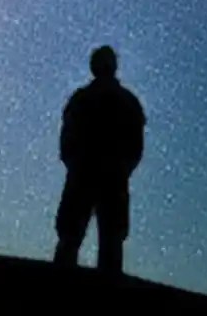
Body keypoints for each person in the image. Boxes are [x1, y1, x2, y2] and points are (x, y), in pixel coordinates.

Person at [52, 45, 146, 275]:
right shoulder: (127, 101)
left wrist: (76, 163)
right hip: (109, 176)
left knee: (74, 236)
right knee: (107, 240)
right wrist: (122, 168)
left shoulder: (82, 99)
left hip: (87, 174)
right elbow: (136, 147)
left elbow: (67, 140)